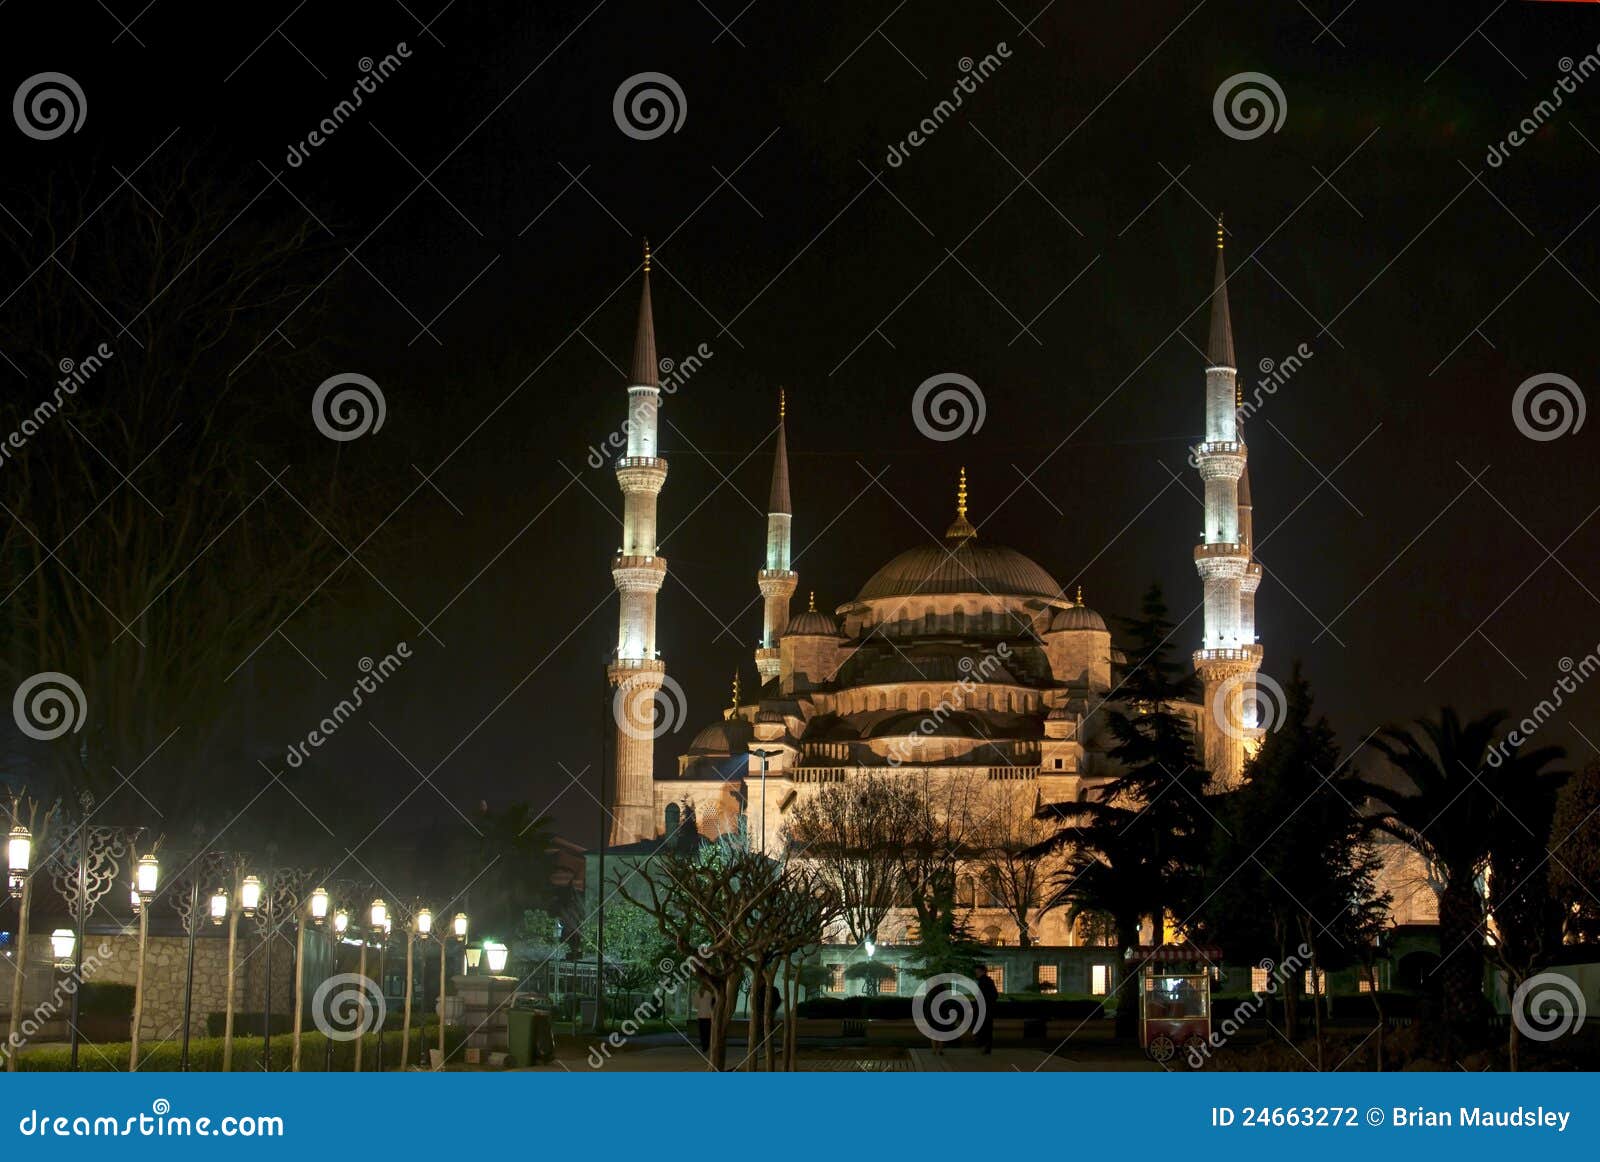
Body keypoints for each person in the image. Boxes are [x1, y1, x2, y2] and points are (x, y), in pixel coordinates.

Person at [974, 965, 999, 1054]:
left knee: (983, 1028)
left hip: (984, 1009)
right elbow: (995, 995)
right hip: (988, 1009)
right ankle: (987, 1047)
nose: (976, 973)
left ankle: (983, 1045)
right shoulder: (988, 981)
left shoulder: (983, 982)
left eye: (977, 971)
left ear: (982, 971)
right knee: (987, 1028)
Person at [695, 983, 715, 1052]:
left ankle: (704, 1046)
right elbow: (714, 1003)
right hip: (709, 1015)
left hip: (700, 1015)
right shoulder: (711, 992)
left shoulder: (698, 993)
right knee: (708, 1032)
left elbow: (696, 1005)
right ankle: (708, 1045)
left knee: (702, 1032)